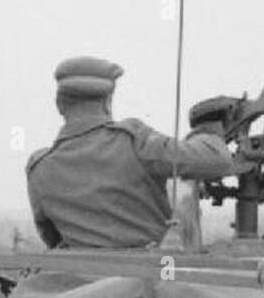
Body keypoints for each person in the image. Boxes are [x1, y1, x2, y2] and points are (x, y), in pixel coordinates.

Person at [26, 56, 240, 249]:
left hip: (77, 283)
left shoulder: (39, 167)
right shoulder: (134, 141)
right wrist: (208, 130)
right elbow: (218, 160)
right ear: (107, 103)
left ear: (59, 105)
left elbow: (52, 238)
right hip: (148, 280)